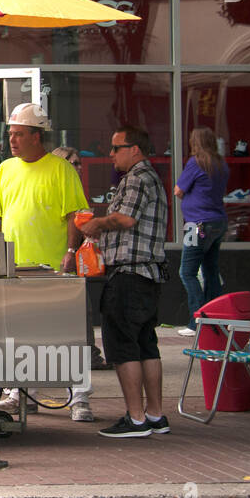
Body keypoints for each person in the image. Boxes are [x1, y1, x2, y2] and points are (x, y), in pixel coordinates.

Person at [0, 104, 92, 421]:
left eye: (18, 134)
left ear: (36, 136)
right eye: (10, 134)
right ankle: (18, 393)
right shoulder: (5, 170)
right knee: (15, 332)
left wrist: (71, 253)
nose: (12, 141)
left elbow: (76, 215)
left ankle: (80, 397)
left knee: (68, 333)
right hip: (13, 268)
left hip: (53, 268)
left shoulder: (61, 170)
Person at [79, 125, 170, 438]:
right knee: (146, 345)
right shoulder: (148, 178)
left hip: (130, 273)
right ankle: (155, 415)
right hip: (147, 273)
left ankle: (136, 417)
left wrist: (97, 224)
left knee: (122, 346)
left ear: (135, 149)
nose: (111, 154)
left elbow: (125, 219)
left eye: (117, 148)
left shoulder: (137, 177)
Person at [53, 146, 110, 372]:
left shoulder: (77, 188)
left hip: (80, 256)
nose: (78, 167)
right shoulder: (59, 186)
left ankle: (89, 352)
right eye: (72, 163)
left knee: (82, 306)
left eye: (79, 163)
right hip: (61, 256)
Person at [174, 127, 229, 336]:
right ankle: (214, 319)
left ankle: (197, 321)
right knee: (210, 271)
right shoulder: (220, 164)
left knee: (187, 271)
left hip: (196, 223)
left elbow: (178, 190)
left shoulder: (195, 162)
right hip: (218, 222)